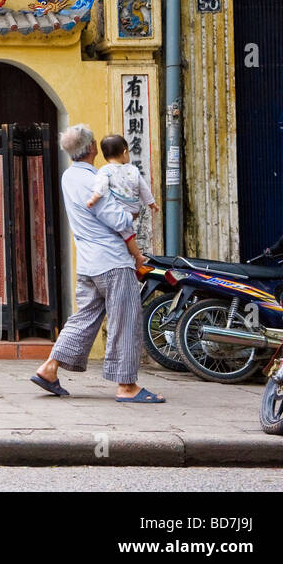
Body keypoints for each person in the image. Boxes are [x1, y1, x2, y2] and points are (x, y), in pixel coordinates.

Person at [30, 124, 165, 403]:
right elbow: (116, 218)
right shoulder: (95, 179)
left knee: (85, 316)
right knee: (125, 319)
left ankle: (49, 368)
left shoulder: (69, 176)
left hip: (88, 263)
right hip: (113, 261)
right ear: (92, 148)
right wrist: (132, 218)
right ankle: (127, 386)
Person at [85, 134, 158, 266]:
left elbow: (101, 187)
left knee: (127, 234)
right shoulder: (133, 170)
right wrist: (152, 204)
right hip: (134, 207)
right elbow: (144, 189)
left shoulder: (105, 171)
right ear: (125, 152)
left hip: (121, 209)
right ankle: (134, 254)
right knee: (128, 231)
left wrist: (93, 199)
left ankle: (138, 256)